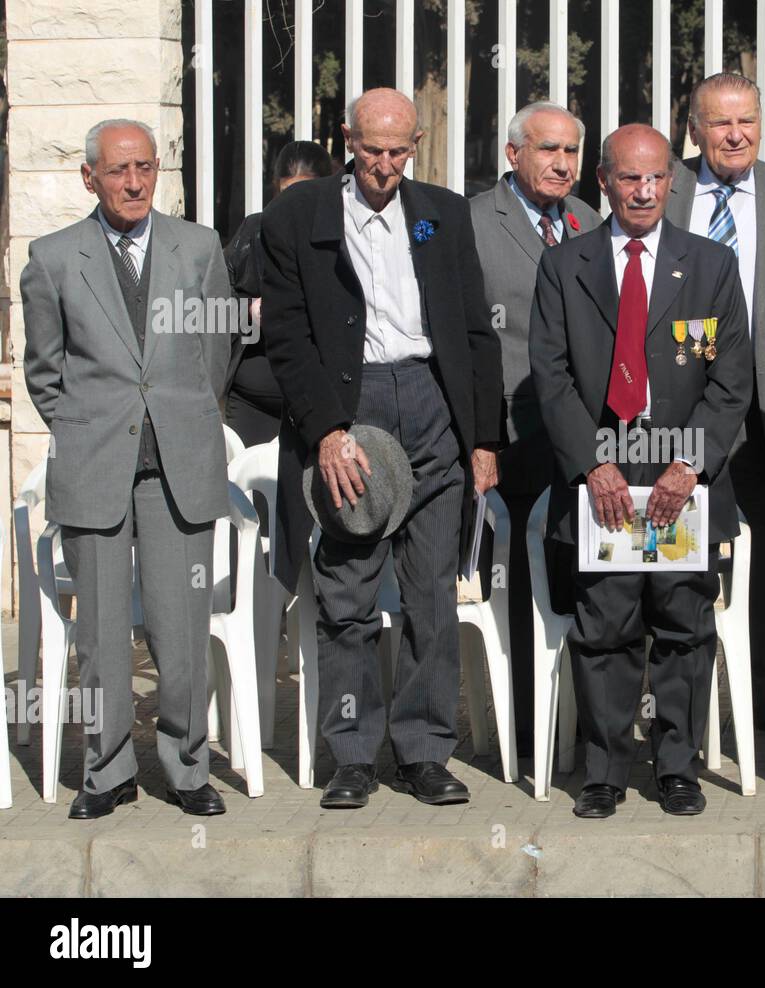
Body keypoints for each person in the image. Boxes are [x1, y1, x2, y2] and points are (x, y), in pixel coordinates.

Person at [260, 88, 503, 809]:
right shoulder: (299, 217)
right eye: (372, 150)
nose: (385, 165)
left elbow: (473, 331)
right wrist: (327, 430)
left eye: (400, 151)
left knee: (431, 594)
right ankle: (354, 755)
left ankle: (425, 752)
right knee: (347, 595)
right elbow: (287, 335)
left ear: (417, 143)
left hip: (432, 404)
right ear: (346, 139)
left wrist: (483, 437)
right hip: (351, 406)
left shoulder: (443, 213)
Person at [529, 124, 752, 818]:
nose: (645, 191)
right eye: (629, 178)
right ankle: (603, 769)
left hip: (682, 476)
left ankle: (677, 766)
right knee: (605, 626)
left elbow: (731, 378)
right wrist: (593, 465)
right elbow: (552, 374)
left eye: (656, 178)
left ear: (672, 182)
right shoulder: (565, 267)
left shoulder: (711, 265)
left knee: (684, 622)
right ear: (604, 181)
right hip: (604, 476)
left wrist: (691, 465)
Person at [21, 119, 233, 819]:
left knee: (180, 634)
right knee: (102, 639)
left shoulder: (198, 248)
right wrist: (88, 428)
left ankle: (186, 766)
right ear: (90, 178)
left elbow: (216, 352)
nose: (134, 182)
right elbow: (45, 372)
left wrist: (183, 418)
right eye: (118, 171)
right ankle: (106, 772)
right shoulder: (52, 258)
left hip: (180, 465)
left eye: (145, 167)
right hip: (95, 467)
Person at [664, 72, 765, 734]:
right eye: (720, 123)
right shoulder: (663, 188)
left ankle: (760, 692)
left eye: (747, 121)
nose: (736, 135)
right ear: (695, 129)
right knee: (682, 551)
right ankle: (679, 699)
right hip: (678, 406)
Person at [469, 102, 601, 756]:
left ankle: (586, 728)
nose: (562, 163)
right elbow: (461, 343)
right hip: (509, 436)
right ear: (512, 153)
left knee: (581, 575)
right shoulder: (472, 223)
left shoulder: (588, 220)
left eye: (572, 151)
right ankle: (526, 733)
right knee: (517, 584)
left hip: (581, 438)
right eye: (548, 149)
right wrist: (478, 437)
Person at [222, 140, 336, 446]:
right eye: (287, 195)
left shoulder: (346, 236)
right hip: (252, 403)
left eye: (306, 196)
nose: (294, 208)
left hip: (321, 403)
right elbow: (207, 309)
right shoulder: (253, 231)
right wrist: (249, 310)